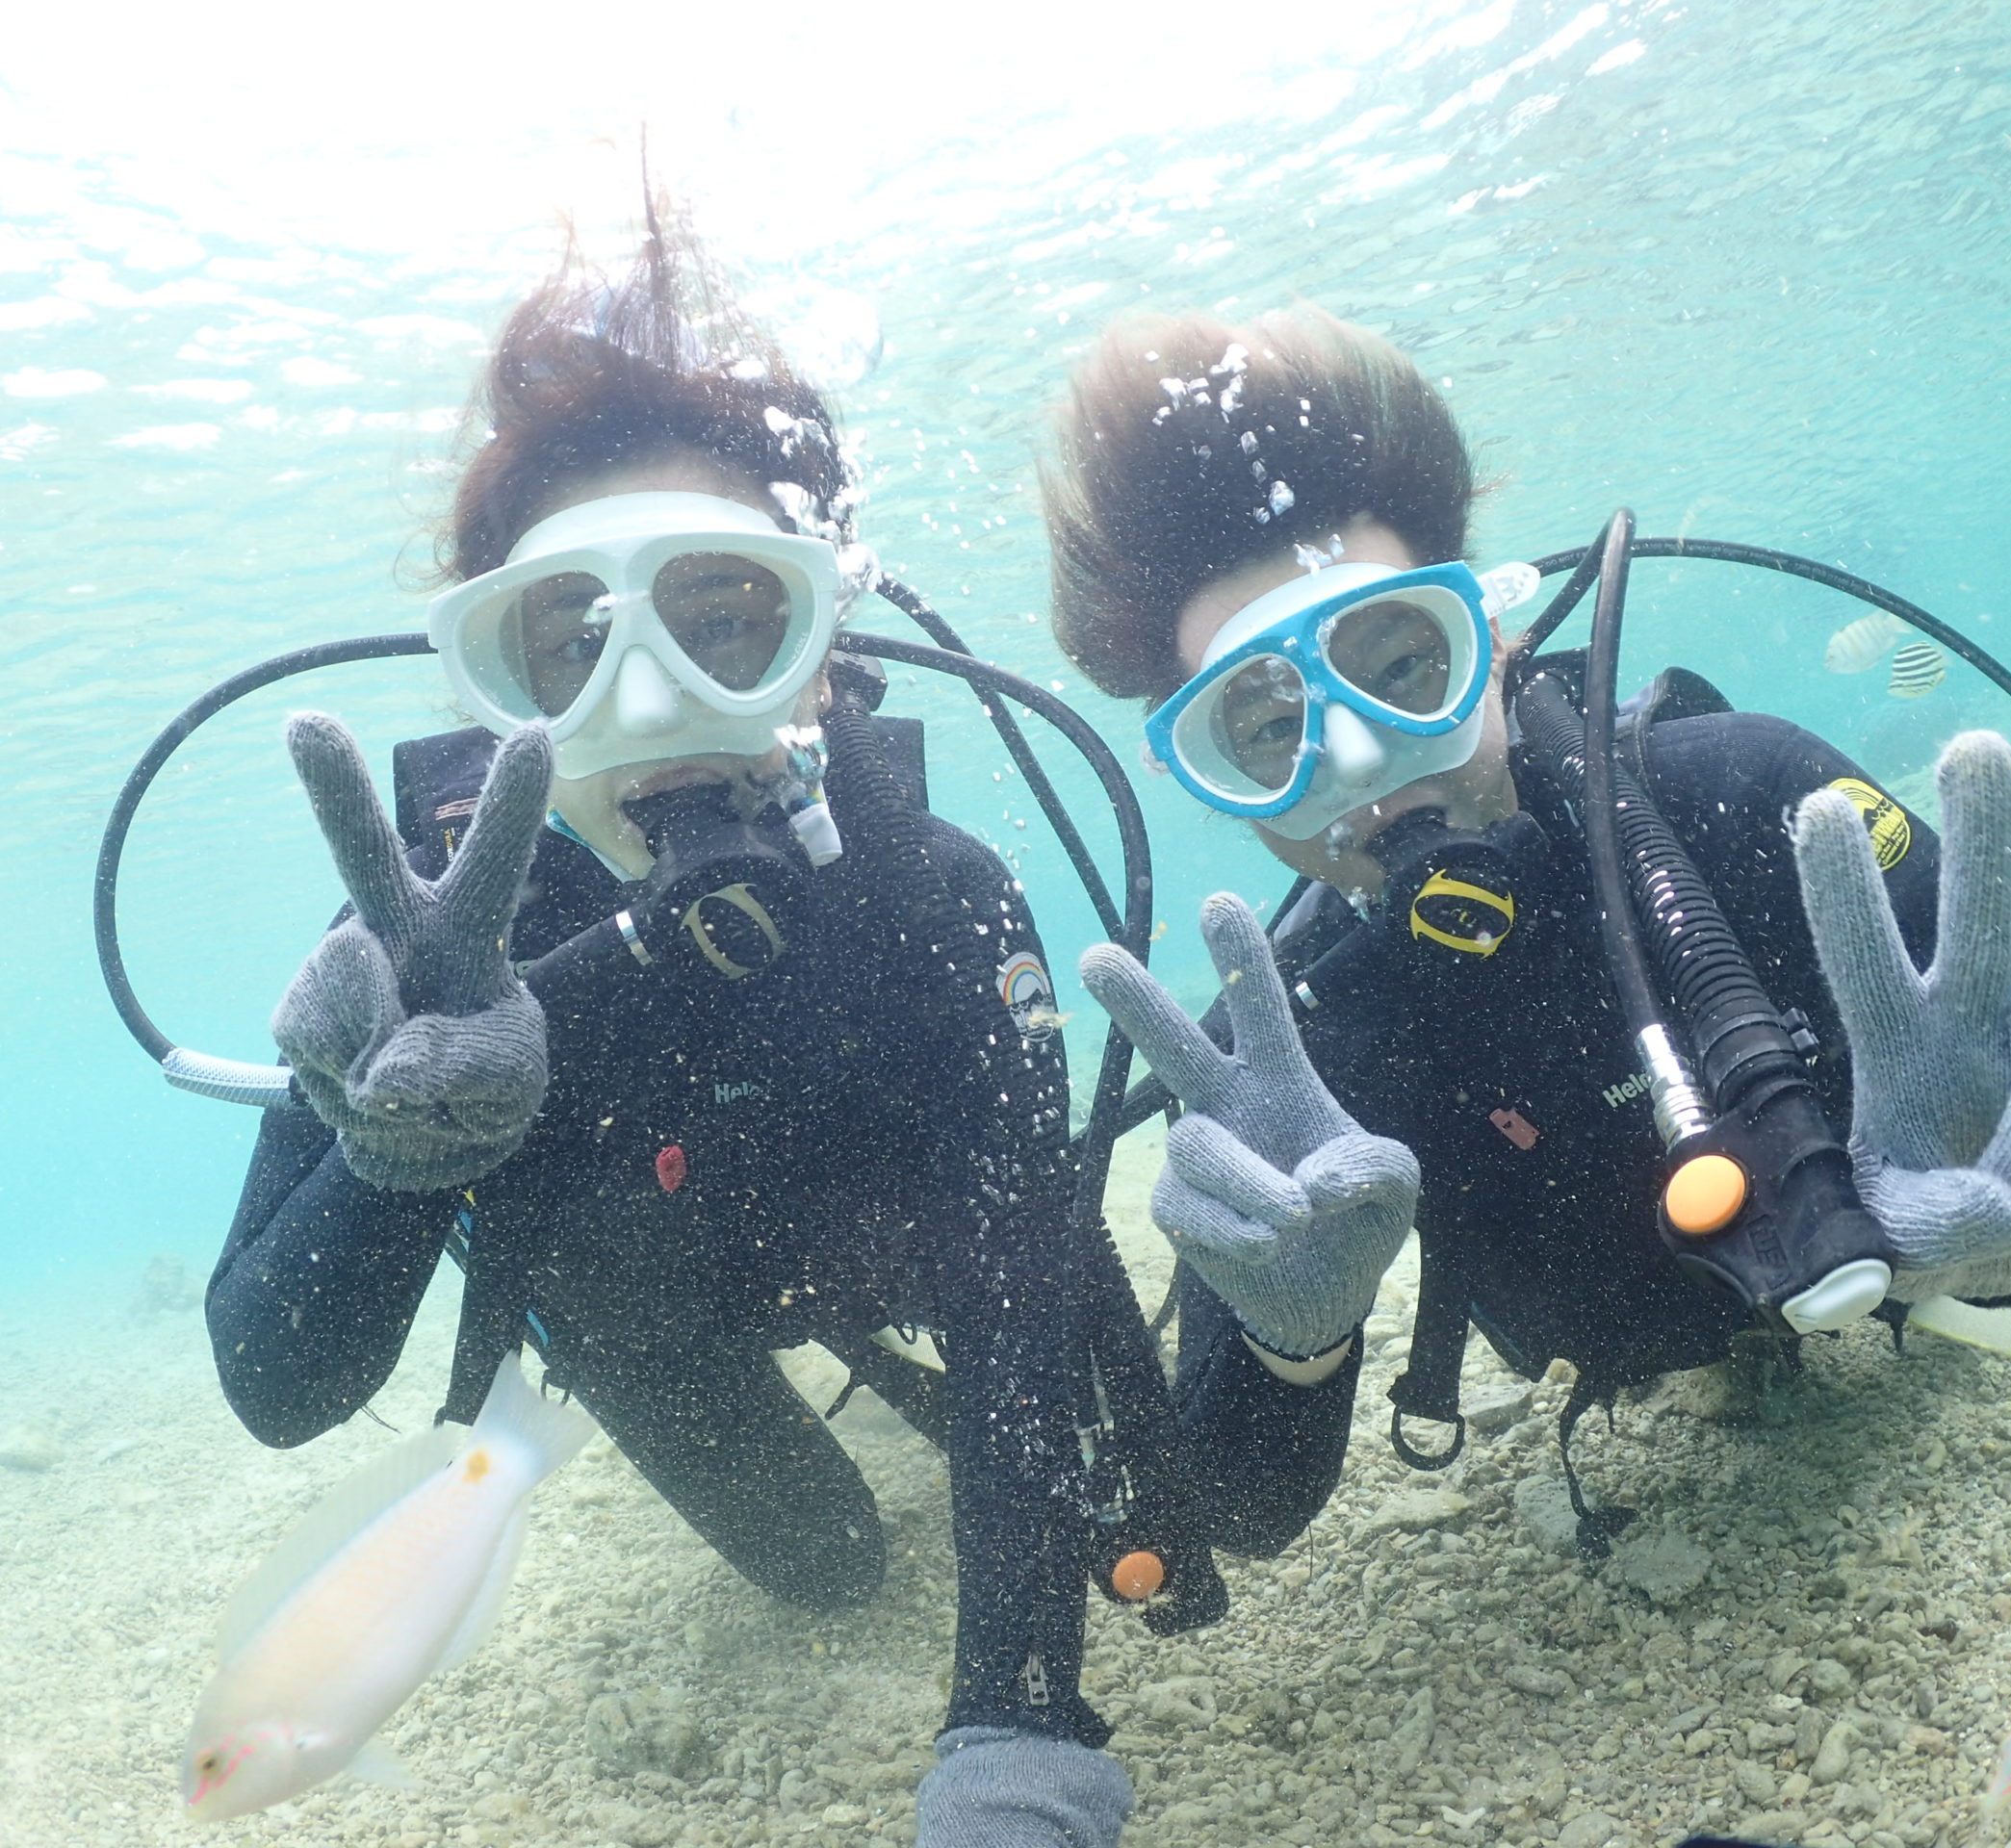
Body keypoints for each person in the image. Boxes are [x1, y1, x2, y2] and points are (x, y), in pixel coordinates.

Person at [203, 215, 1350, 1847]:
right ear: (492, 686)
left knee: (1146, 1482)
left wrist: (1014, 1726)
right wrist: (393, 1162)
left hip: (911, 1253)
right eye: (574, 640)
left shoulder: (934, 900)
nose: (660, 697)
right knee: (831, 1567)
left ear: (829, 640)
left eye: (729, 614)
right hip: (640, 1305)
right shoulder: (425, 953)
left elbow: (1022, 1295)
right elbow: (277, 1391)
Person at [1043, 305, 2011, 1527]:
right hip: (1620, 1343)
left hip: (1886, 1259)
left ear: (1494, 633)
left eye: (1403, 664)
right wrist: (1286, 1337)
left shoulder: (1753, 797)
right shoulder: (1294, 1044)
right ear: (1210, 781)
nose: (1357, 756)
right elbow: (1238, 1510)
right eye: (1264, 729)